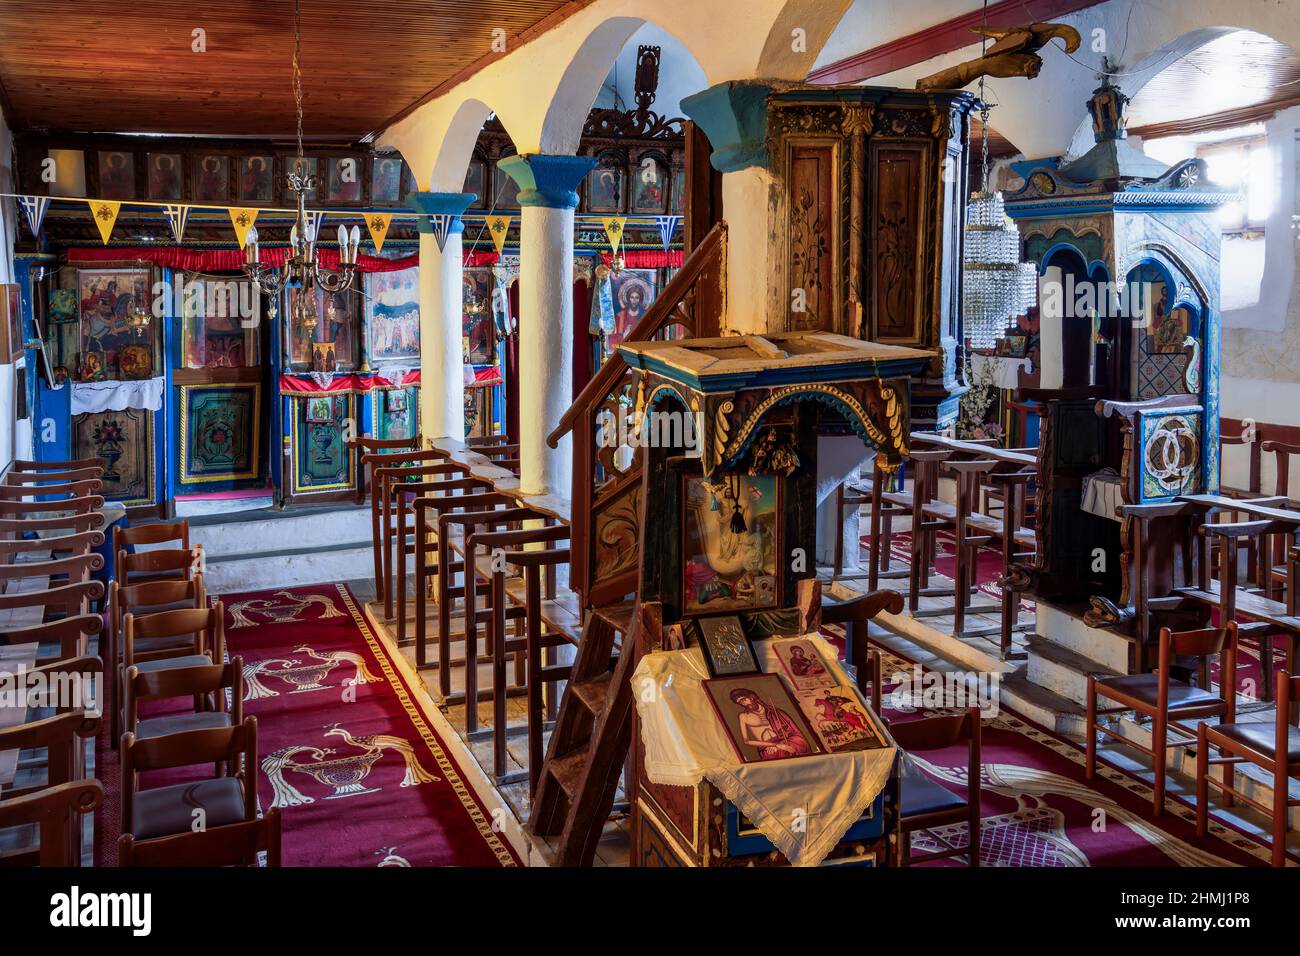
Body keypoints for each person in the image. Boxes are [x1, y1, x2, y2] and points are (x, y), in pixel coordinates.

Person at [730, 687, 813, 760]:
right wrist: (775, 745)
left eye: (743, 699)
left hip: (784, 741)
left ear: (751, 697)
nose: (743, 703)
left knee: (796, 746)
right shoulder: (744, 716)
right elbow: (747, 741)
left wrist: (782, 744)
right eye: (740, 703)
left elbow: (793, 731)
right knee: (773, 754)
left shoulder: (775, 711)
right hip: (767, 746)